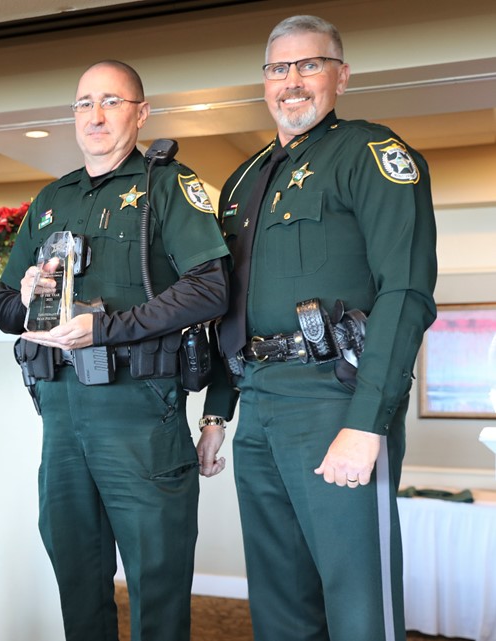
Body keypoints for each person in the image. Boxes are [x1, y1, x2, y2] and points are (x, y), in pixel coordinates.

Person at [199, 15, 438, 641]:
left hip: (337, 395)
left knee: (359, 602)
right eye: (279, 68)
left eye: (310, 65)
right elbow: (232, 303)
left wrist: (367, 422)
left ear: (341, 75)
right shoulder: (242, 180)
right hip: (261, 403)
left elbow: (406, 293)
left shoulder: (371, 153)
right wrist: (219, 413)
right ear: (265, 81)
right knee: (280, 602)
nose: (292, 81)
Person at [0, 61, 229, 641]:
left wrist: (107, 329)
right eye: (83, 103)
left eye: (112, 102)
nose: (95, 116)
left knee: (157, 580)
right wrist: (25, 300)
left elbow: (211, 287)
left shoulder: (167, 185)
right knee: (76, 572)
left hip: (140, 410)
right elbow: (3, 310)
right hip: (61, 412)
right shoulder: (51, 199)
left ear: (141, 113)